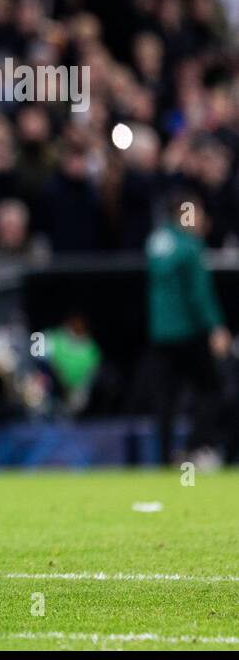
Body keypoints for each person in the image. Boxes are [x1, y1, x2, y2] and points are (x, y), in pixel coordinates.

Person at [146, 191, 232, 466]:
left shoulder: (157, 241)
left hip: (161, 334)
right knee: (212, 388)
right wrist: (216, 327)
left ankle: (164, 457)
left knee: (166, 399)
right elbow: (199, 294)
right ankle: (196, 447)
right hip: (188, 333)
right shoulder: (190, 247)